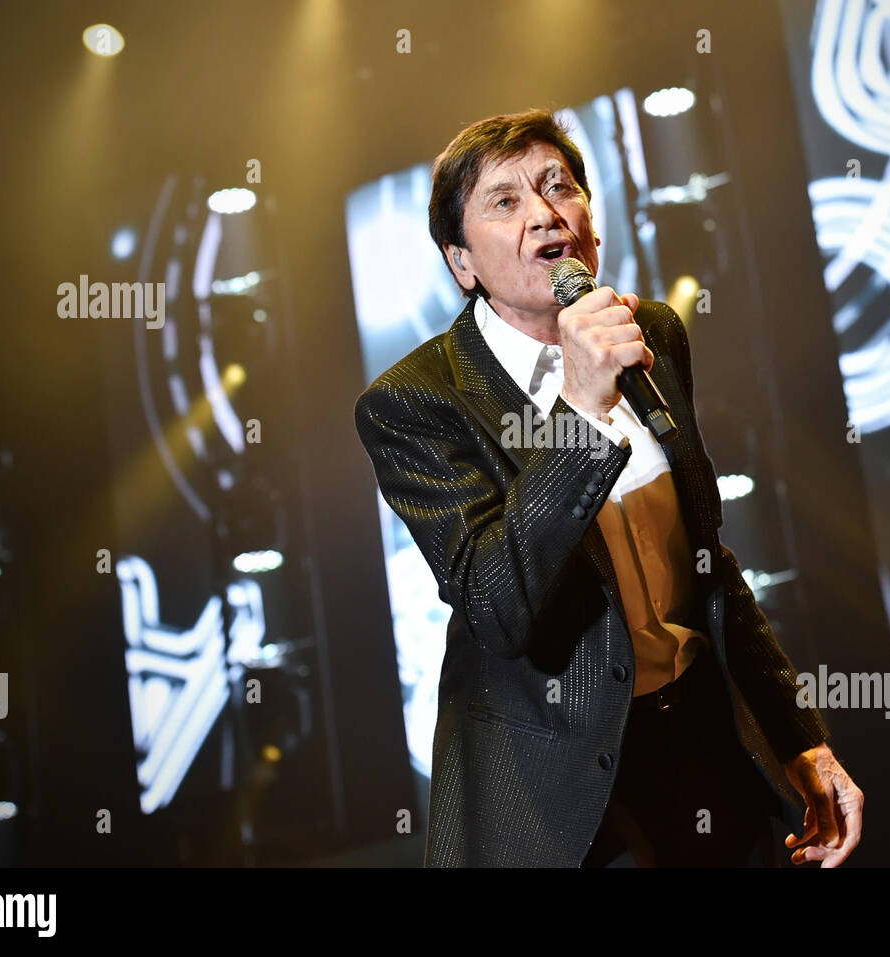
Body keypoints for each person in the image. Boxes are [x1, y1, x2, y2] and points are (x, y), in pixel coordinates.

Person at [354, 108, 862, 867]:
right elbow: (497, 604)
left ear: (591, 222)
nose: (544, 214)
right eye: (505, 201)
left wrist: (800, 735)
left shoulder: (651, 332)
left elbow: (709, 563)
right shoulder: (416, 401)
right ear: (462, 262)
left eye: (559, 187)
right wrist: (582, 409)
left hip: (700, 740)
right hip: (558, 791)